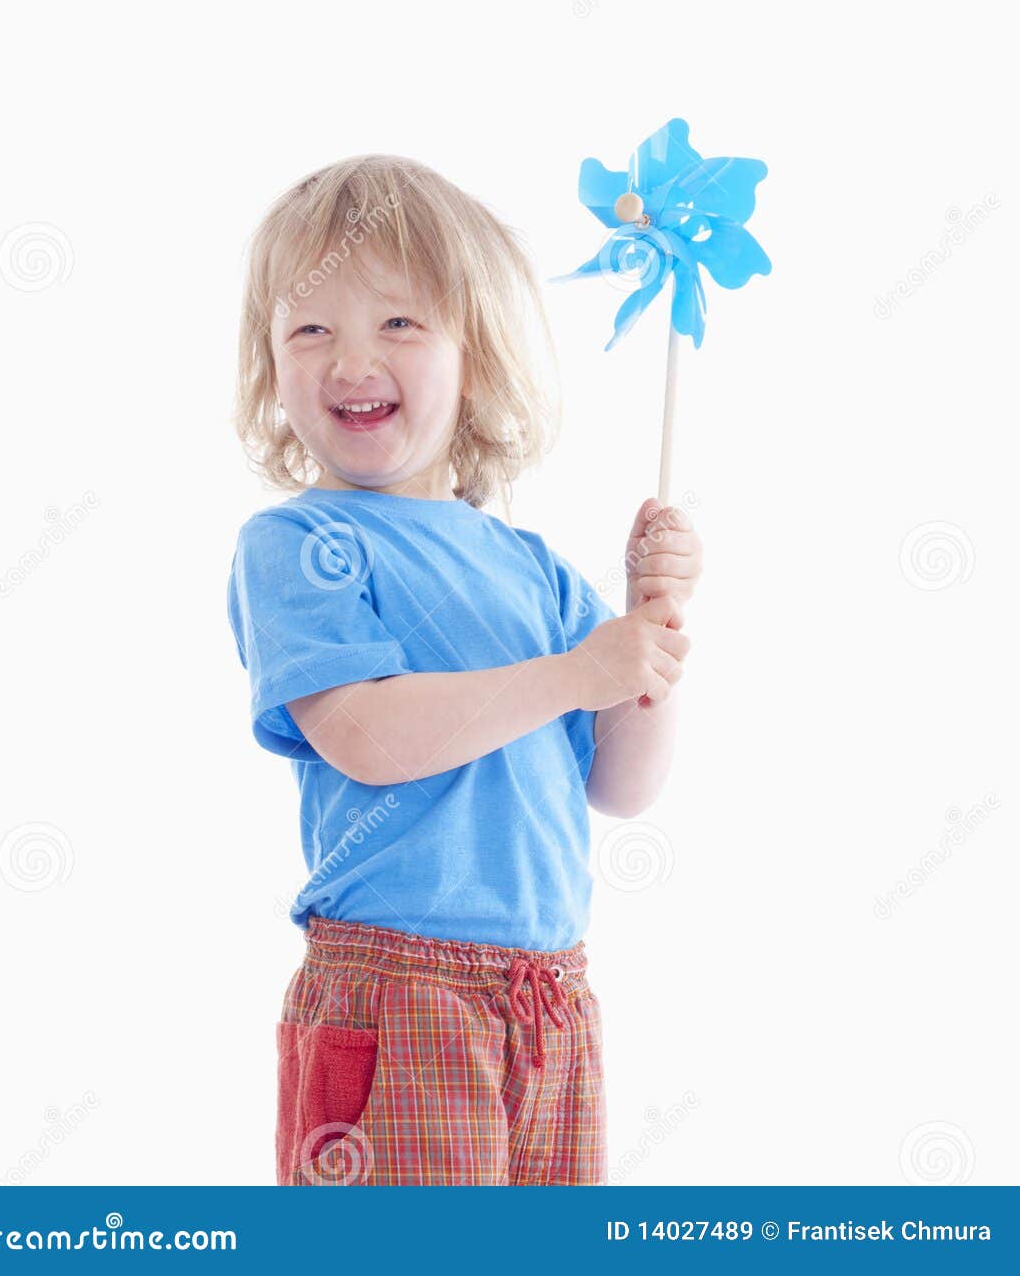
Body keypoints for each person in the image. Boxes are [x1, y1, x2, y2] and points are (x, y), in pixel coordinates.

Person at [227, 154, 702, 1185]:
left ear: (472, 359)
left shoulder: (535, 572)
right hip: (398, 994)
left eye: (398, 323)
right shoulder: (299, 545)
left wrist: (646, 629)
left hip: (550, 1000)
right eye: (310, 330)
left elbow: (621, 783)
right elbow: (367, 734)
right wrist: (577, 672)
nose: (351, 358)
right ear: (271, 368)